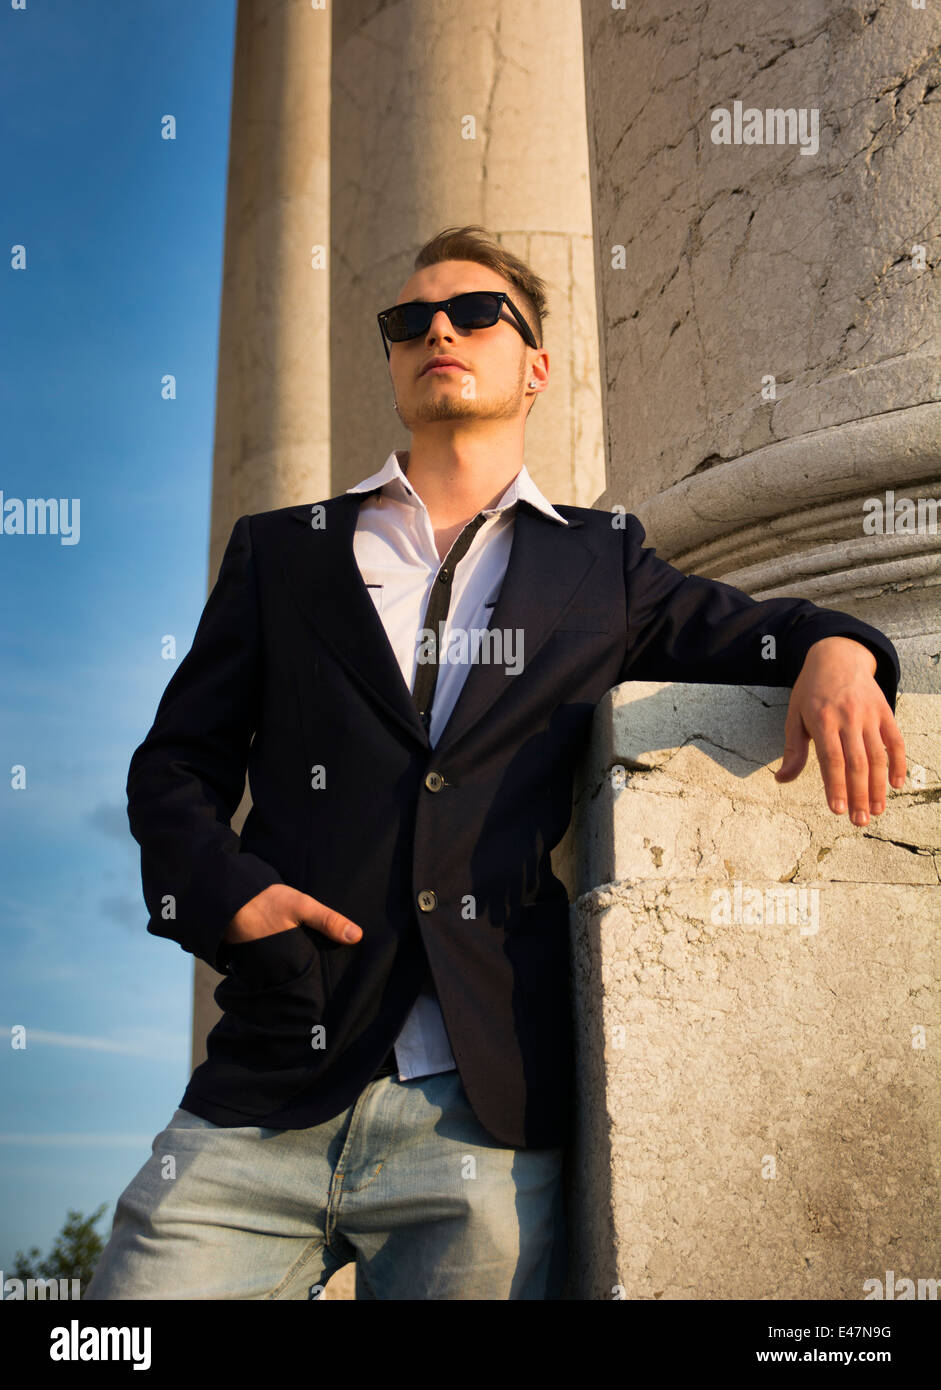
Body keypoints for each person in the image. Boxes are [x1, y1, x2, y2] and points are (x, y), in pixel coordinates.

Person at [84, 225, 905, 1301]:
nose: (437, 330)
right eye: (408, 320)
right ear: (390, 361)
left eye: (473, 314)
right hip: (266, 1088)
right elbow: (173, 768)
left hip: (483, 1117)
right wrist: (230, 900)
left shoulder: (598, 561)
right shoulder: (283, 550)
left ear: (534, 367)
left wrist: (839, 650)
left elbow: (752, 628)